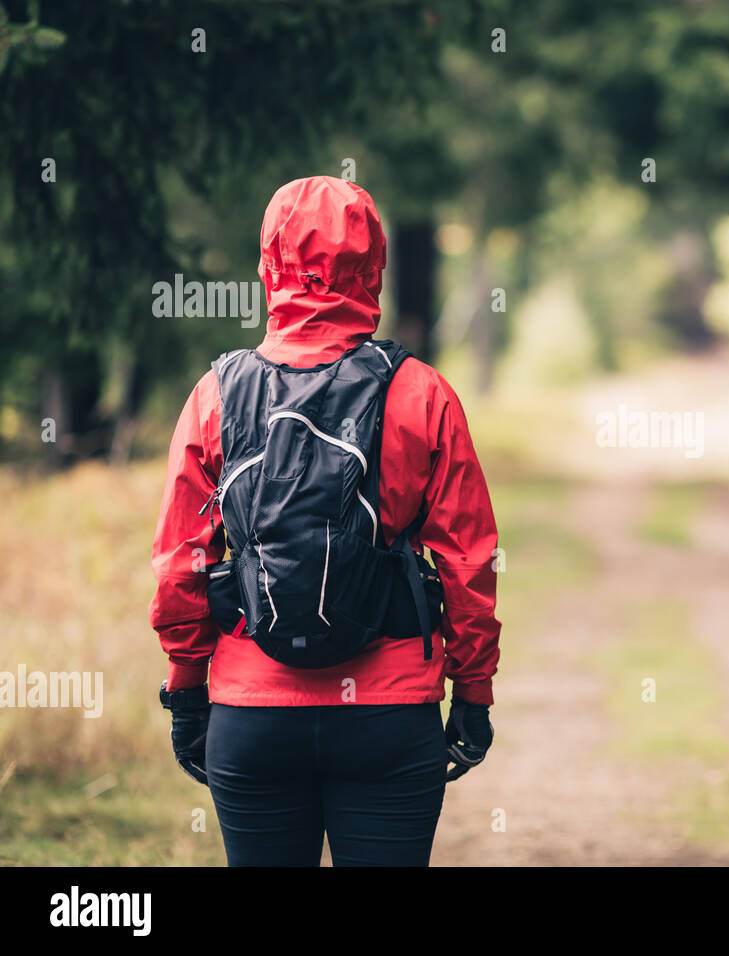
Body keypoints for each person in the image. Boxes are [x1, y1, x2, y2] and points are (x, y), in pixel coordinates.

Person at [149, 175, 501, 866]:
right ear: (375, 267)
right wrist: (475, 691)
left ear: (268, 263)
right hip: (390, 717)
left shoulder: (217, 392)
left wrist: (188, 690)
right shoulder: (421, 392)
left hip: (252, 717)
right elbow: (469, 559)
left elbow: (178, 564)